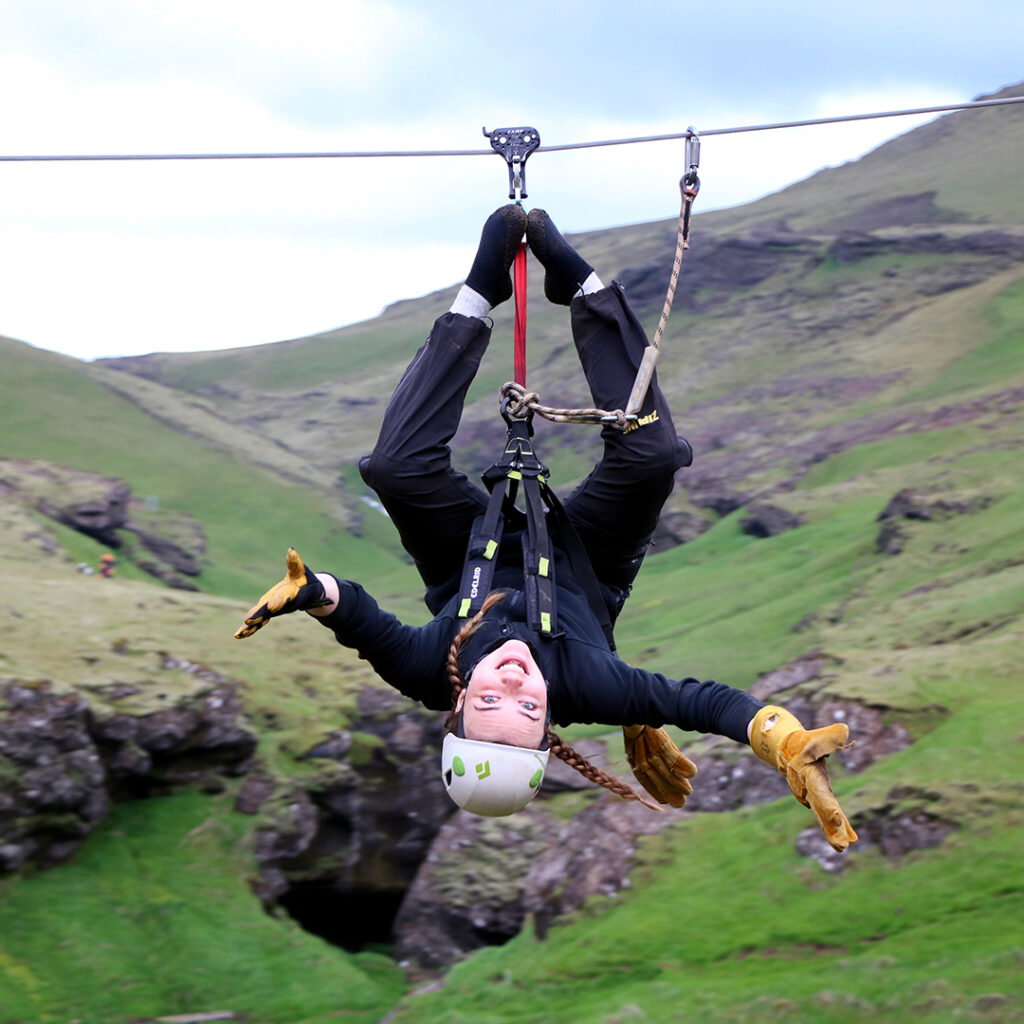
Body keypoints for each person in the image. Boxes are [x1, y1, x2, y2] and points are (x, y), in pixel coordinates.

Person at [235, 205, 858, 852]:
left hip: (468, 554)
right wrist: (779, 738)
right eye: (530, 710)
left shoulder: (426, 670)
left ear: (458, 704)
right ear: (550, 719)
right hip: (584, 564)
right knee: (654, 458)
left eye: (491, 706)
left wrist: (310, 591)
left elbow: (358, 617)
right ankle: (585, 292)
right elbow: (698, 702)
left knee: (394, 469)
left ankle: (478, 297)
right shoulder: (588, 683)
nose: (512, 686)